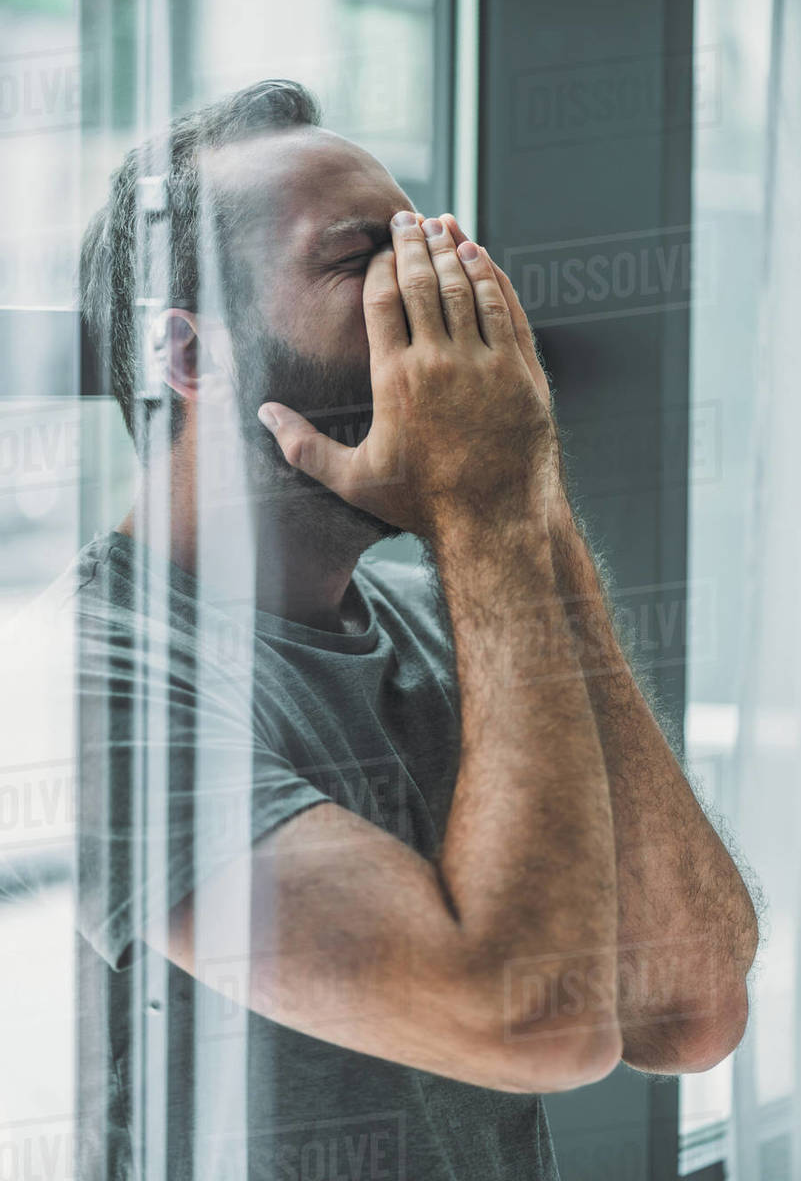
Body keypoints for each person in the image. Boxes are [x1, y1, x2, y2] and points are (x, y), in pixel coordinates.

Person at [61, 79, 759, 1179]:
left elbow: (689, 1008)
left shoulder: (466, 614)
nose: (446, 298)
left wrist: (517, 488)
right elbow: (533, 1022)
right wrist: (485, 503)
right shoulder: (92, 681)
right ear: (187, 358)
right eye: (361, 261)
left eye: (430, 248)